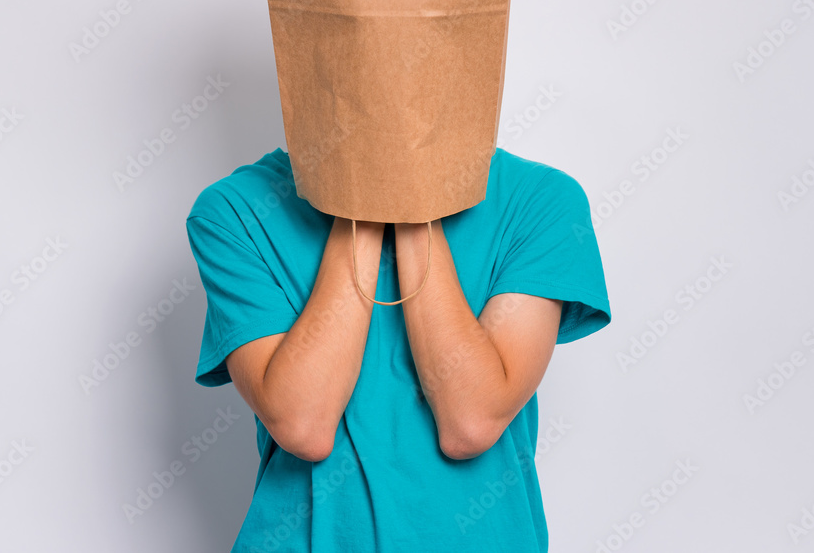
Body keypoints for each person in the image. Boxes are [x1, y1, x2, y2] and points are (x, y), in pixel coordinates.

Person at [186, 144, 612, 552]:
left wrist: (412, 192)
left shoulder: (540, 200)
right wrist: (361, 191)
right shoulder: (236, 210)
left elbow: (470, 423)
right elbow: (304, 427)